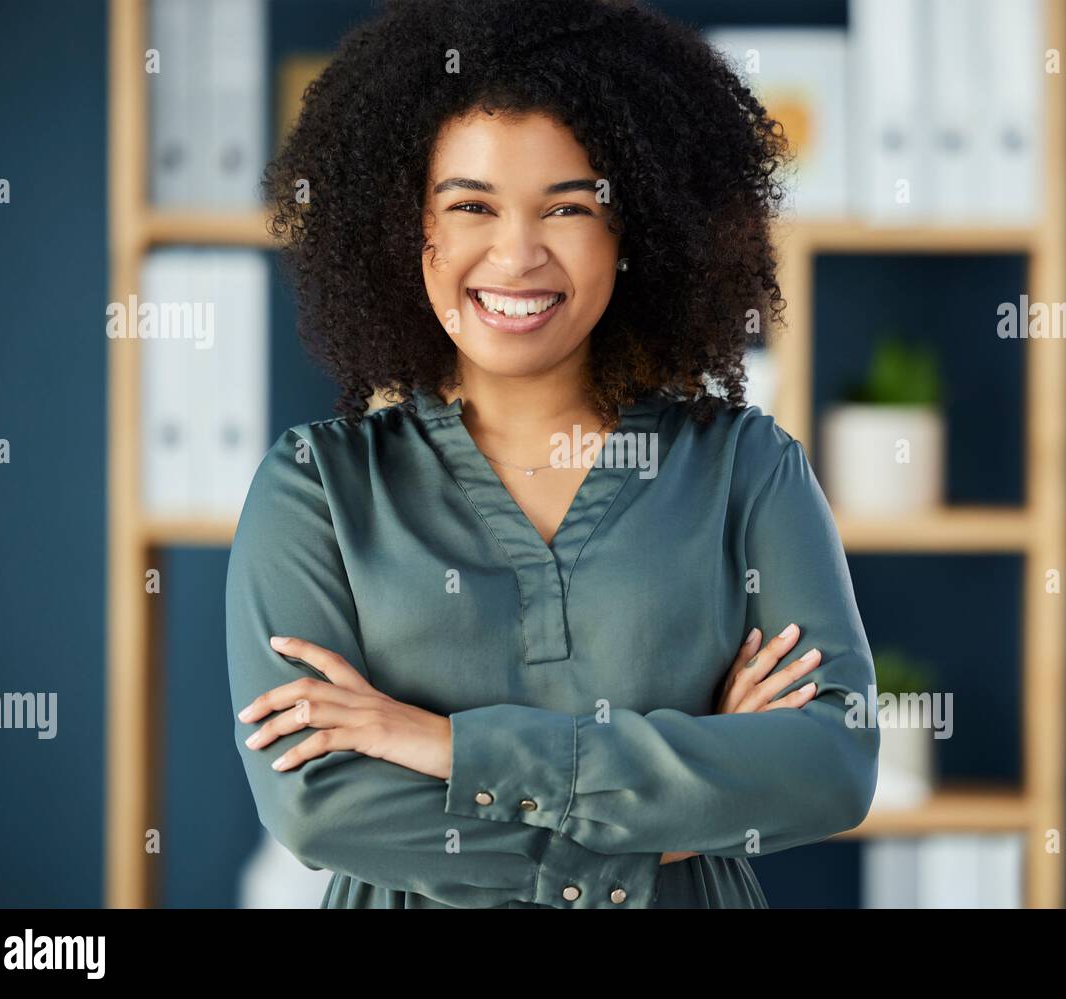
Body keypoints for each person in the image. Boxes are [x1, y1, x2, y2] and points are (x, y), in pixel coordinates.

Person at [226, 0, 879, 909]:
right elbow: (318, 805)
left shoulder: (746, 469)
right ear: (407, 229)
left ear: (635, 227)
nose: (517, 252)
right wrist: (673, 816)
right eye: (471, 205)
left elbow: (831, 763)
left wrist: (451, 748)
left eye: (569, 206)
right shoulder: (318, 491)